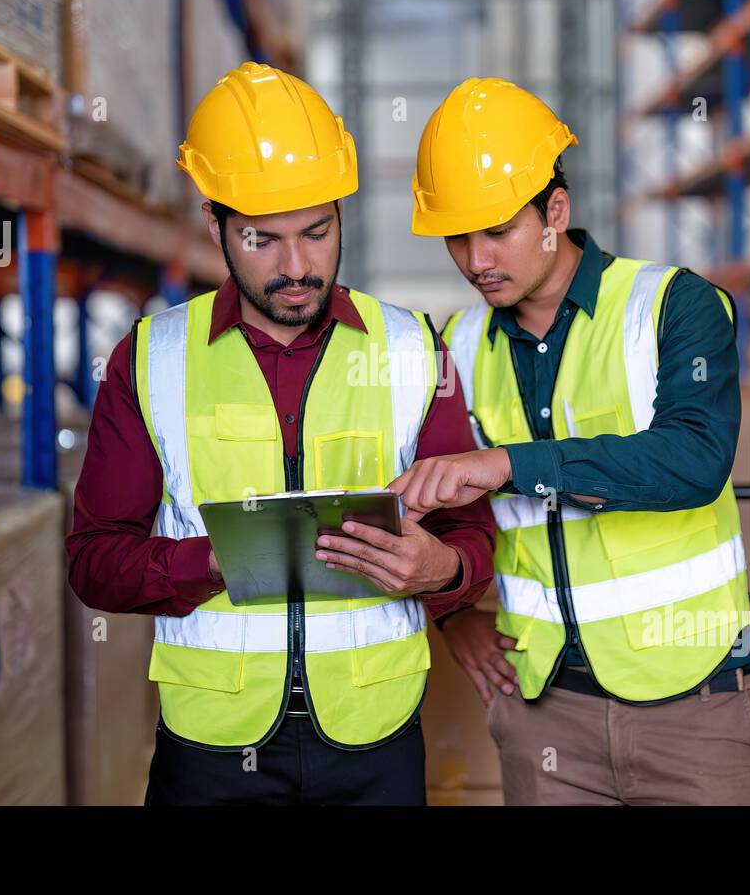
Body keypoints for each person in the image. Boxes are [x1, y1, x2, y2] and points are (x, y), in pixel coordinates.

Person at [66, 62, 496, 806]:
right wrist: (218, 563)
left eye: (317, 232)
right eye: (262, 240)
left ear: (341, 215)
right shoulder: (150, 358)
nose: (296, 267)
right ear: (215, 224)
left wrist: (440, 571)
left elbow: (475, 538)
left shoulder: (415, 351)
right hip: (211, 744)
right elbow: (95, 561)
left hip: (376, 737)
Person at [391, 77, 750, 805]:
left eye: (497, 230)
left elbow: (695, 460)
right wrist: (449, 617)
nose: (477, 261)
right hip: (541, 710)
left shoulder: (673, 306)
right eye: (457, 239)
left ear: (554, 211)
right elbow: (426, 499)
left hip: (694, 702)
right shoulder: (456, 346)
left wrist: (506, 465)